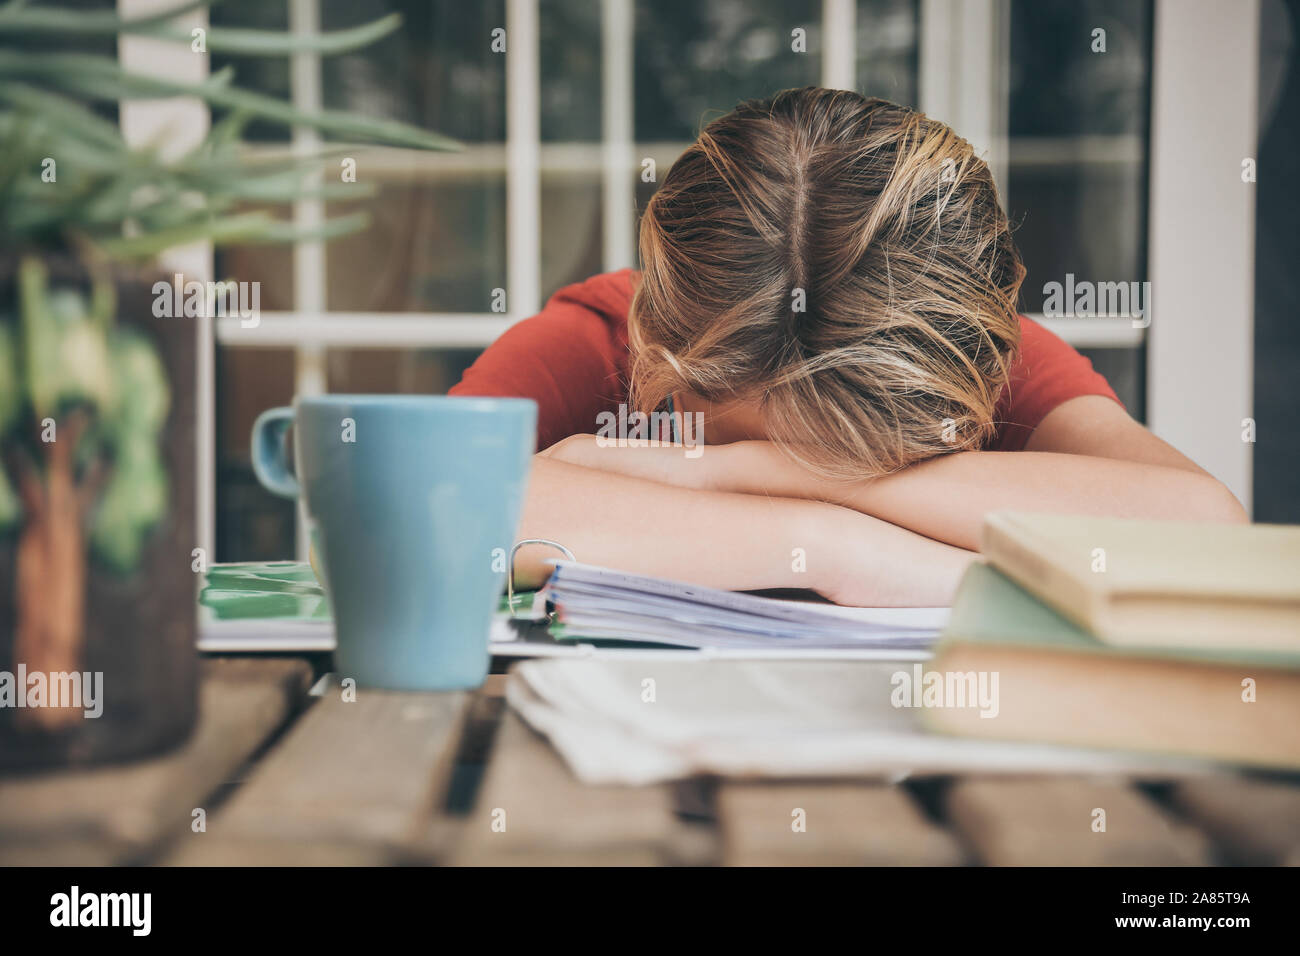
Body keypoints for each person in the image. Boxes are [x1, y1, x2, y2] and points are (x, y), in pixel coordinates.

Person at [451, 88, 1245, 606]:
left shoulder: (990, 358)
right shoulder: (595, 343)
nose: (793, 476)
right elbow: (426, 510)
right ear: (654, 341)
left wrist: (710, 467)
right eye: (741, 438)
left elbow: (1205, 531)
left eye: (856, 459)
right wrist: (829, 547)